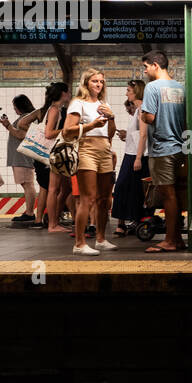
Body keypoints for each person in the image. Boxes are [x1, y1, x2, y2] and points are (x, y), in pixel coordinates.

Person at [64, 68, 117, 255]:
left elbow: (110, 133)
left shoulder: (103, 103)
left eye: (101, 81)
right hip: (86, 149)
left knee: (104, 199)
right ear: (86, 83)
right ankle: (79, 243)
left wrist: (112, 117)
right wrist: (91, 125)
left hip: (105, 149)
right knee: (88, 198)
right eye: (95, 81)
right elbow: (67, 130)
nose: (99, 84)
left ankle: (101, 239)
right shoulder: (78, 103)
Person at [140, 50, 187, 253]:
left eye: (146, 67)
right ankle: (176, 238)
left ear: (155, 66)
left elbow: (149, 117)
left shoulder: (152, 87)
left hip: (162, 148)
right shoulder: (181, 87)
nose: (145, 71)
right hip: (180, 147)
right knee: (175, 194)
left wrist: (142, 115)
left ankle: (169, 240)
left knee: (167, 195)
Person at [111, 79, 147, 237]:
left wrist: (138, 158)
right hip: (130, 153)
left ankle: (129, 222)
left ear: (137, 92)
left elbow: (144, 135)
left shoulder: (142, 110)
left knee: (124, 187)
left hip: (136, 156)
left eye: (129, 91)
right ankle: (123, 223)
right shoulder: (138, 111)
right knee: (126, 188)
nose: (126, 93)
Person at [0, 95, 42, 223]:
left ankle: (29, 213)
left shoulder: (26, 118)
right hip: (21, 157)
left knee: (27, 184)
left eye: (15, 106)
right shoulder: (27, 117)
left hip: (23, 157)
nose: (14, 109)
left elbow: (21, 135)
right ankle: (29, 211)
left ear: (20, 106)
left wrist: (8, 126)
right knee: (27, 184)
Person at [36, 82, 71, 234]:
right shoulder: (54, 110)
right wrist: (67, 129)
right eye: (68, 92)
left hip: (56, 152)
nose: (70, 95)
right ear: (63, 93)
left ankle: (54, 221)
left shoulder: (55, 109)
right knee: (53, 189)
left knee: (63, 188)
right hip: (52, 153)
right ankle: (52, 225)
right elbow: (49, 133)